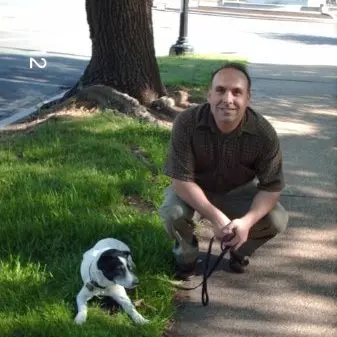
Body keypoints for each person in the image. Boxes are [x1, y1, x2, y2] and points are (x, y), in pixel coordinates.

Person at [159, 62, 289, 277]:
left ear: (248, 98)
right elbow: (181, 181)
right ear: (209, 95)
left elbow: (272, 187)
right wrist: (218, 219)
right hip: (193, 188)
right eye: (220, 90)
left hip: (239, 191)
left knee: (276, 220)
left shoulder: (264, 133)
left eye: (237, 92)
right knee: (173, 213)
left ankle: (239, 249)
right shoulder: (186, 123)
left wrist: (246, 223)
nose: (228, 99)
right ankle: (187, 255)